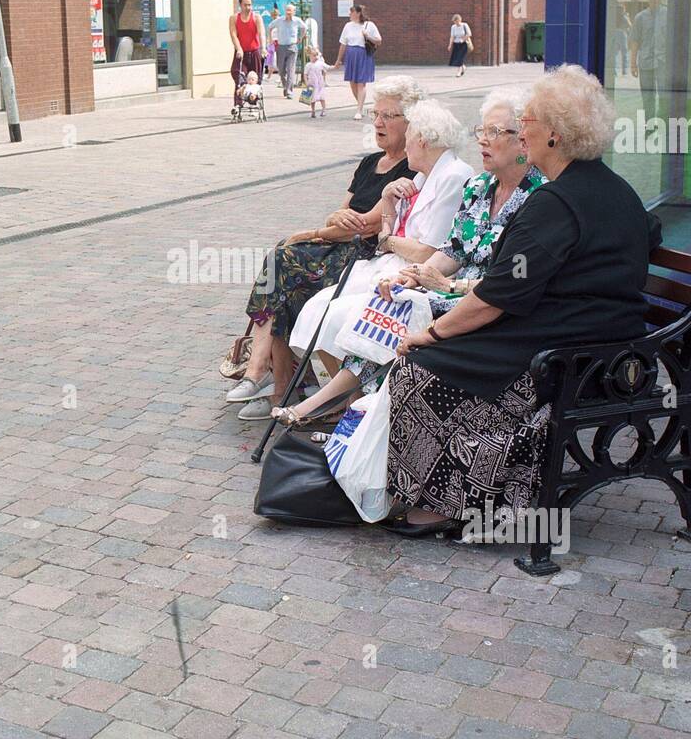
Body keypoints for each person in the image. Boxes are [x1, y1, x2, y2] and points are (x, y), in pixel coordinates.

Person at [382, 65, 662, 536]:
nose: (520, 129)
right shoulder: (612, 188)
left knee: (419, 368)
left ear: (553, 135)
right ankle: (470, 491)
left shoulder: (557, 202)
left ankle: (453, 503)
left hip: (571, 355)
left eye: (526, 121)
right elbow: (644, 236)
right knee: (442, 358)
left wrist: (429, 333)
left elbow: (496, 297)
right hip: (601, 340)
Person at [274, 87, 543, 422]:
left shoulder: (540, 197)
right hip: (448, 286)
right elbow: (453, 248)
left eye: (495, 132)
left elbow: (515, 278)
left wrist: (442, 282)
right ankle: (349, 412)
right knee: (393, 294)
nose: (483, 140)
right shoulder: (480, 187)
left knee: (399, 306)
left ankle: (340, 411)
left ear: (524, 141)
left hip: (486, 302)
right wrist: (414, 274)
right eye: (481, 130)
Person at [229, 75, 425, 419]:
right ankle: (278, 384)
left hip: (366, 258)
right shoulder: (369, 164)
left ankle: (266, 377)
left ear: (411, 121)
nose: (377, 122)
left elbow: (365, 225)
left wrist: (311, 232)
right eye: (375, 114)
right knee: (282, 271)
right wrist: (333, 221)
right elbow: (342, 215)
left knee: (283, 259)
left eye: (388, 116)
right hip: (341, 249)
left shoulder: (411, 167)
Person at [335, 4, 381, 120]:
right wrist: (338, 60)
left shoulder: (369, 25)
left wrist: (368, 36)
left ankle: (359, 110)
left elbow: (379, 41)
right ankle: (360, 105)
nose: (349, 14)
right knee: (352, 83)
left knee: (361, 83)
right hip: (350, 55)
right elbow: (343, 43)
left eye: (351, 12)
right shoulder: (347, 26)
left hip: (363, 54)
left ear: (358, 13)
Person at [629, 0, 667, 130]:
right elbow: (634, 42)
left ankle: (663, 124)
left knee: (664, 96)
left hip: (663, 63)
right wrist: (633, 65)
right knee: (648, 97)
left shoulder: (667, 14)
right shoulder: (640, 18)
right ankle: (649, 126)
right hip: (645, 63)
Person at [229, 0, 265, 116]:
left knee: (255, 80)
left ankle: (254, 106)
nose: (248, 7)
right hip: (241, 54)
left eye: (250, 5)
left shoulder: (256, 18)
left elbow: (261, 34)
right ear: (240, 5)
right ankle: (238, 105)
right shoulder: (234, 18)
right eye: (245, 5)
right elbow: (233, 35)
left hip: (254, 51)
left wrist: (263, 48)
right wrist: (238, 48)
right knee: (239, 77)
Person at [270, 3, 306, 99]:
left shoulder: (297, 21)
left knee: (291, 69)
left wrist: (300, 38)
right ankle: (285, 86)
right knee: (281, 70)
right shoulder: (279, 20)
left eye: (290, 11)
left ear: (294, 12)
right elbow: (270, 27)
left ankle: (289, 91)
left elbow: (304, 28)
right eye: (287, 10)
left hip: (292, 47)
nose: (288, 12)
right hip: (281, 47)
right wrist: (271, 40)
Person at [303, 46, 330, 118]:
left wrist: (335, 66)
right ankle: (313, 111)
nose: (316, 57)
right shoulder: (308, 65)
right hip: (312, 84)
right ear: (310, 56)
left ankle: (324, 110)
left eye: (317, 55)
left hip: (320, 83)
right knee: (312, 99)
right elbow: (305, 74)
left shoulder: (320, 63)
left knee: (322, 97)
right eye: (314, 55)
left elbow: (328, 67)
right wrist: (306, 82)